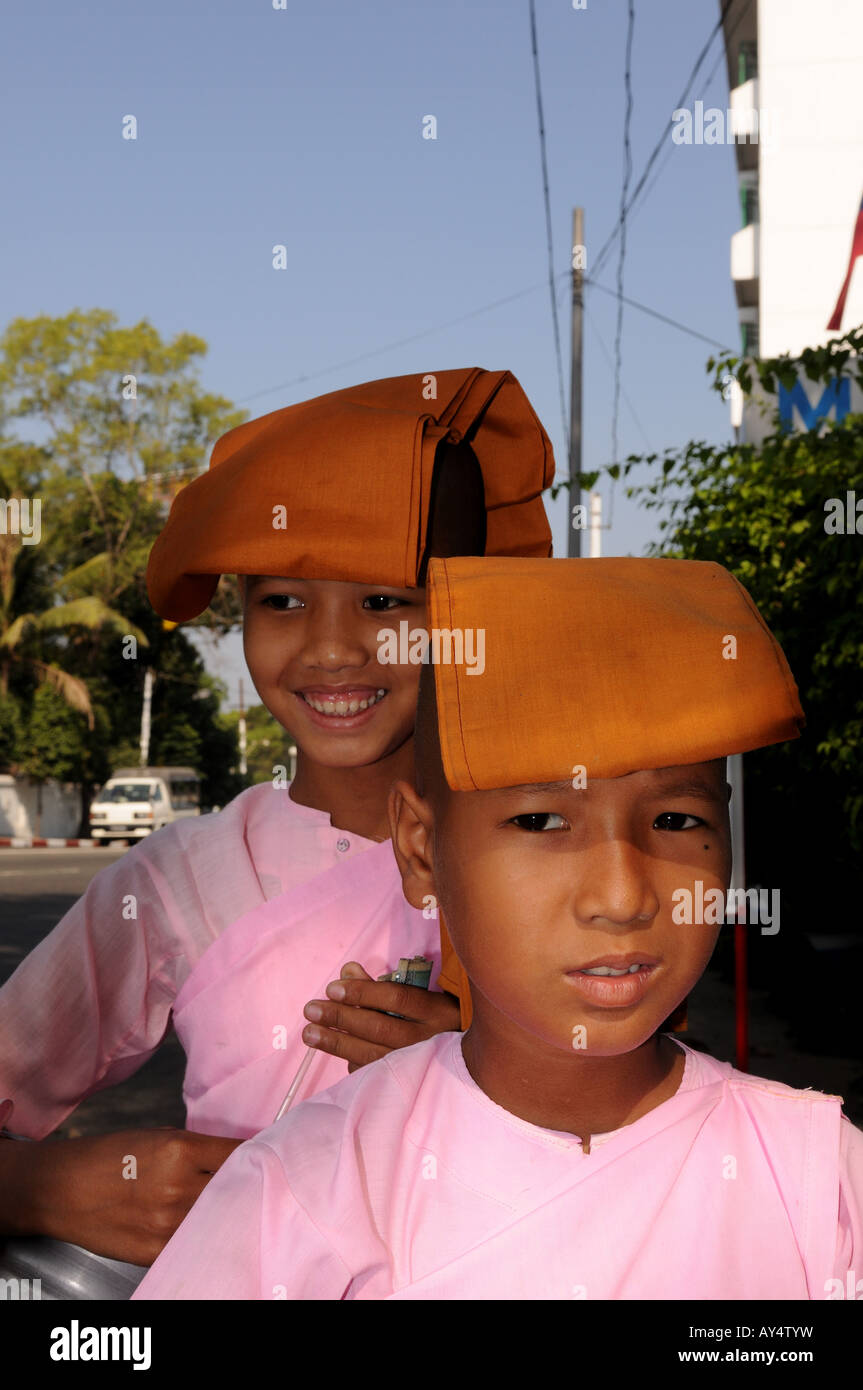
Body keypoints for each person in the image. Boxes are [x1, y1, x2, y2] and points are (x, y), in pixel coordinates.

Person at [133, 555, 863, 1300]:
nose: (620, 896)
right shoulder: (311, 1182)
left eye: (676, 820)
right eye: (540, 820)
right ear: (420, 849)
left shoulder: (815, 1174)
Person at [0, 370, 554, 1268]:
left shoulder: (548, 847)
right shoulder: (181, 882)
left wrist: (500, 1072)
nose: (332, 648)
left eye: (385, 601)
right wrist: (41, 1189)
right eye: (283, 602)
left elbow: (653, 1122)